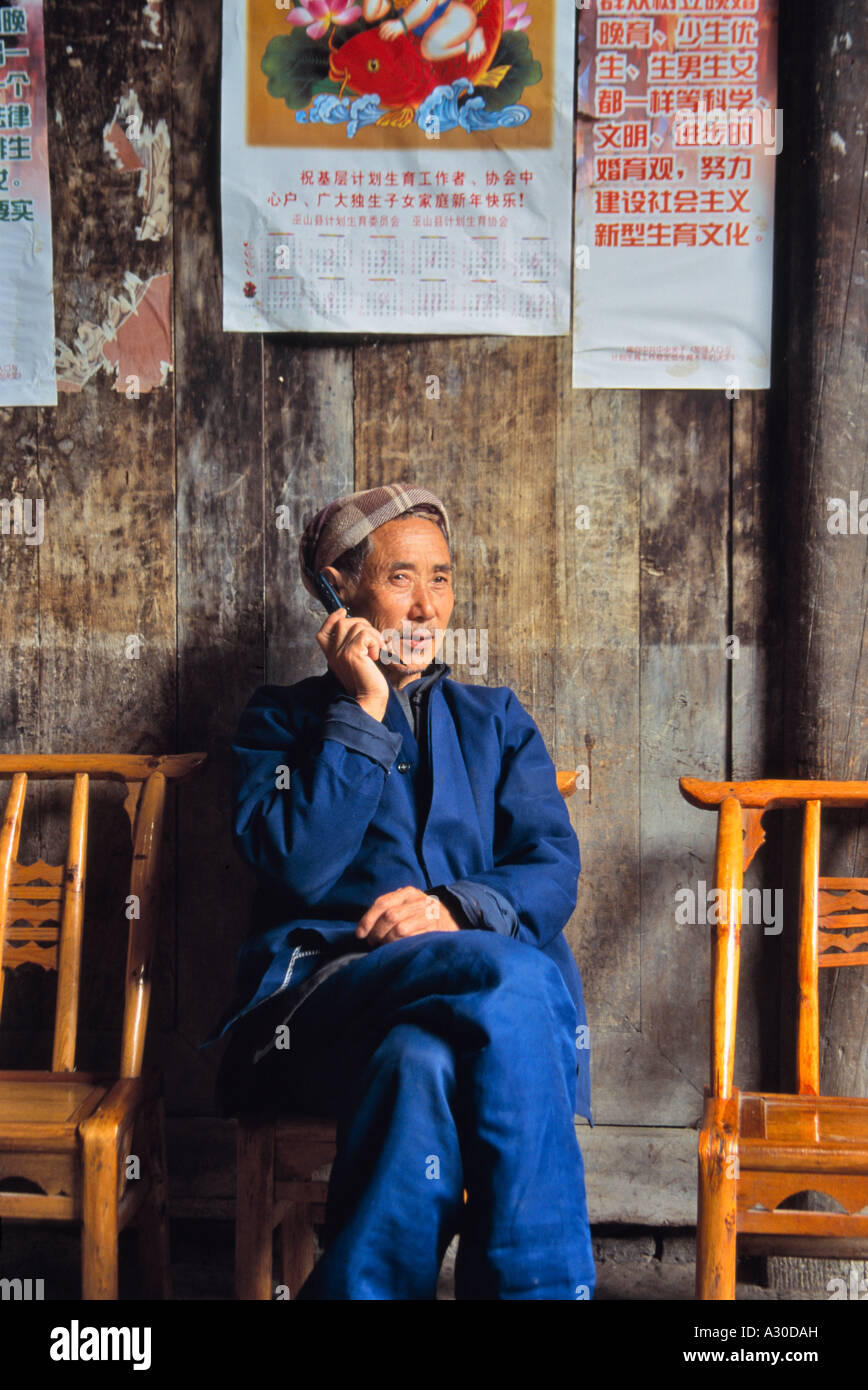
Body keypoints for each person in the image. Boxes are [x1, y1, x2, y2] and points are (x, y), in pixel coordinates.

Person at [205, 482, 595, 1300]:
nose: (425, 606)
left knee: (419, 1063)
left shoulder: (496, 720)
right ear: (338, 589)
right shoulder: (277, 722)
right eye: (400, 578)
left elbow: (552, 864)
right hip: (324, 1009)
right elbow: (297, 866)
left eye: (440, 579)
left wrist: (452, 909)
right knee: (521, 975)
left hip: (450, 1032)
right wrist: (364, 707)